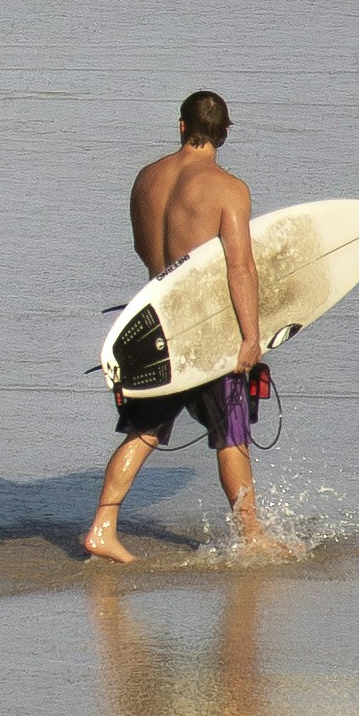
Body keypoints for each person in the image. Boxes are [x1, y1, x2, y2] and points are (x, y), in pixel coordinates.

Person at [82, 89, 274, 561]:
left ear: (182, 127)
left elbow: (142, 248)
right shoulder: (229, 189)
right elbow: (240, 267)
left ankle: (102, 528)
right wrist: (251, 337)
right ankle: (252, 537)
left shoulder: (147, 178)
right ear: (225, 134)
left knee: (145, 431)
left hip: (155, 322)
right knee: (231, 434)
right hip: (209, 333)